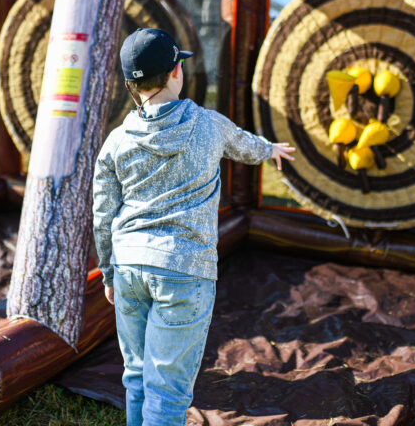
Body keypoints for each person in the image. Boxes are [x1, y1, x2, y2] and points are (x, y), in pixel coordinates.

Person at [92, 27, 295, 426]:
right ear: (175, 73)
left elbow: (102, 213)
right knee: (167, 394)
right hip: (185, 272)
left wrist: (109, 272)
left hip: (129, 268)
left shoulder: (116, 141)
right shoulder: (209, 124)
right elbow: (245, 146)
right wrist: (271, 149)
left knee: (136, 377)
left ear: (132, 83)